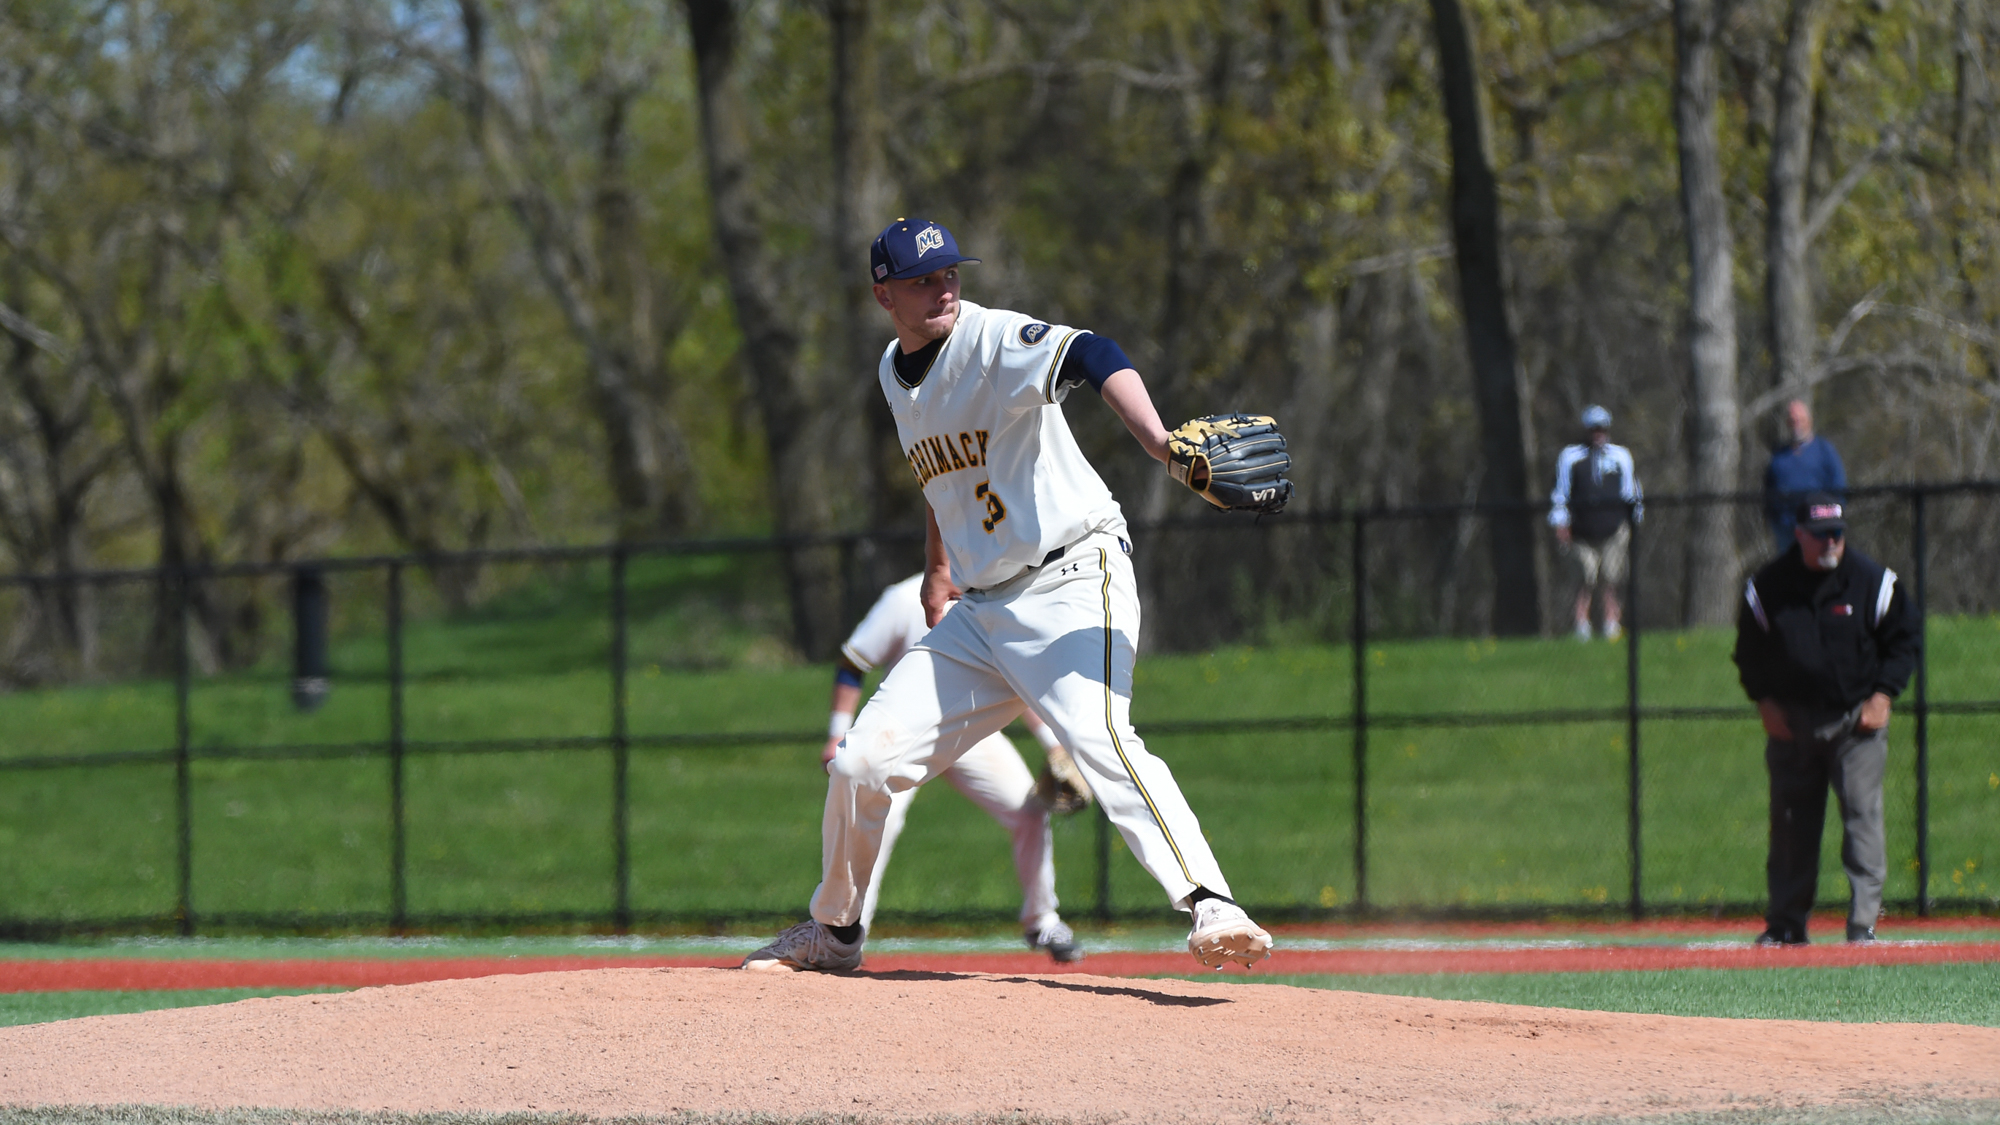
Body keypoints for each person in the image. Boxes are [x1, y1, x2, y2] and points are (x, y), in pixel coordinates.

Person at [744, 217, 1273, 972]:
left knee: (1097, 733)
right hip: (983, 609)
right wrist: (935, 570)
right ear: (883, 295)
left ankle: (1210, 900)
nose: (945, 286)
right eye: (925, 279)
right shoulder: (895, 374)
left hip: (1071, 573)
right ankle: (835, 930)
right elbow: (939, 474)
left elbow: (1094, 352)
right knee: (861, 761)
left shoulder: (993, 340)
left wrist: (1160, 443)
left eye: (951, 272)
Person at [823, 572, 1087, 961]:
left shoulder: (993, 597)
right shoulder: (902, 599)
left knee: (1029, 809)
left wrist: (1052, 746)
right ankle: (846, 931)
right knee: (877, 818)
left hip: (970, 733)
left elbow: (1018, 683)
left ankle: (1042, 920)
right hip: (902, 734)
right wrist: (837, 732)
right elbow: (853, 662)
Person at [1733, 493, 1917, 946]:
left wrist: (1884, 694)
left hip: (1856, 722)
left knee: (1861, 816)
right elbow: (1749, 654)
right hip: (1793, 724)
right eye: (1820, 536)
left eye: (1836, 533)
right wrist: (1764, 701)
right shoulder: (1769, 587)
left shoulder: (1872, 581)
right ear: (1799, 536)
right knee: (1792, 826)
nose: (1830, 541)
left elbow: (1905, 641)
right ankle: (1786, 926)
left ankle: (1863, 928)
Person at [1548, 405, 1642, 641]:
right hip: (1581, 532)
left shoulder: (1620, 456)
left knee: (1611, 577)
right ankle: (1581, 624)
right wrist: (1561, 524)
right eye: (1593, 429)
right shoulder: (1571, 456)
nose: (1598, 433)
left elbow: (1630, 491)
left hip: (1614, 530)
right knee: (1585, 577)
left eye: (1602, 429)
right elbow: (1561, 493)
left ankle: (1612, 623)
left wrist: (1634, 520)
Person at [1764, 399, 1847, 553]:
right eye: (1792, 420)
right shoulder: (1779, 455)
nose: (1796, 423)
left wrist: (1830, 523)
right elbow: (1769, 489)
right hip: (1785, 528)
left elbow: (1838, 489)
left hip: (1818, 528)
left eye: (1800, 419)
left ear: (1809, 420)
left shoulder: (1824, 451)